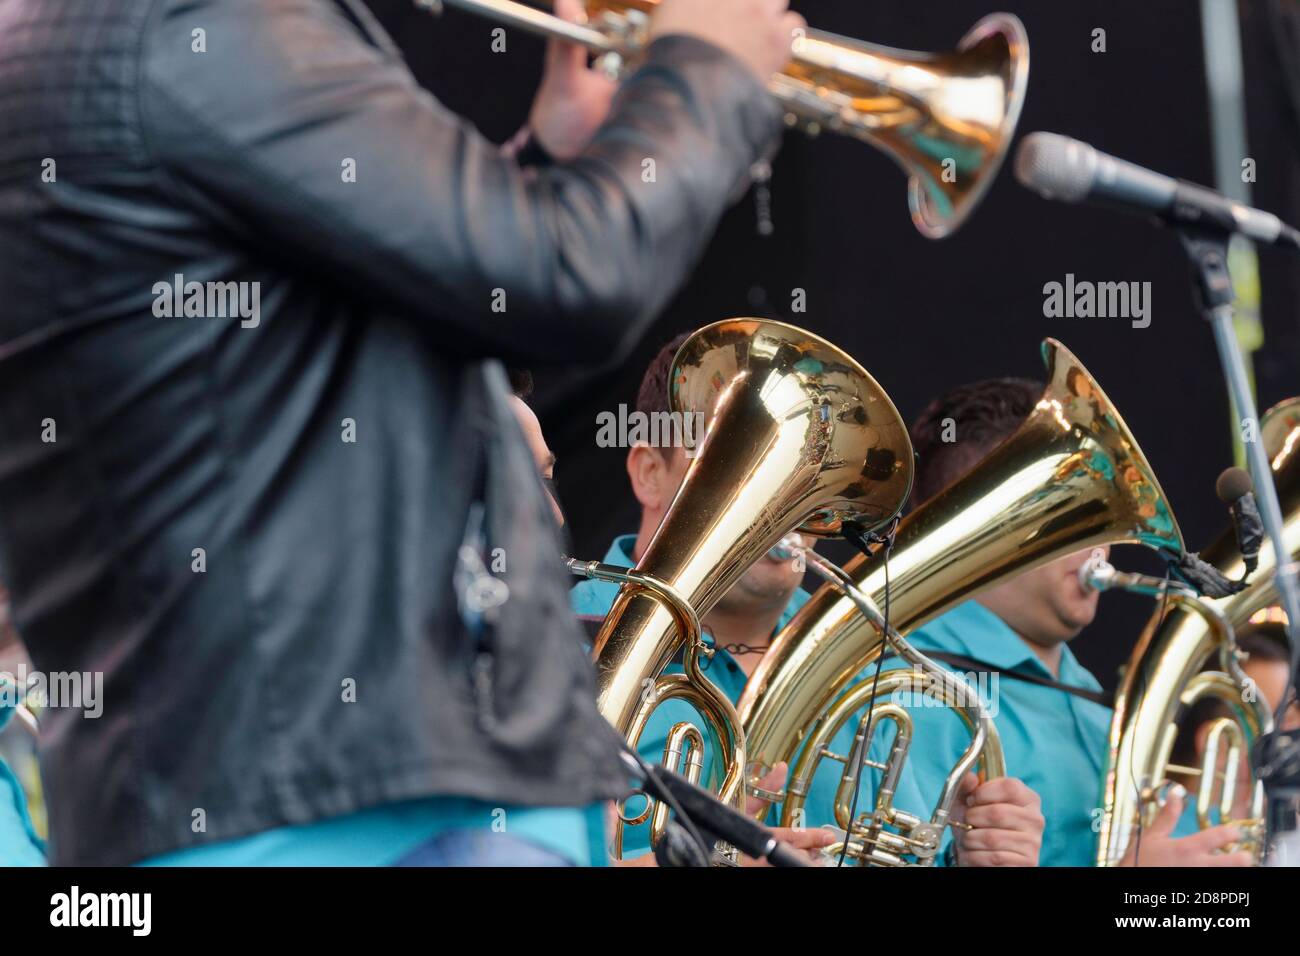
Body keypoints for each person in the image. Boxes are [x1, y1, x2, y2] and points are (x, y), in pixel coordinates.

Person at [0, 0, 803, 865]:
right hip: (336, 801)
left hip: (318, 780)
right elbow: (566, 275)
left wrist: (544, 164)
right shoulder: (195, 21)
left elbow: (336, 300)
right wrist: (703, 73)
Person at [832, 377, 1252, 866]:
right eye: (1069, 511)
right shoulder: (909, 690)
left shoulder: (1094, 700)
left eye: (1102, 509)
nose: (1101, 538)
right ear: (972, 529)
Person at [569, 333, 835, 864]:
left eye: (808, 472)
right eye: (738, 462)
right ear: (650, 473)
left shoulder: (861, 655)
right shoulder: (547, 637)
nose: (783, 504)